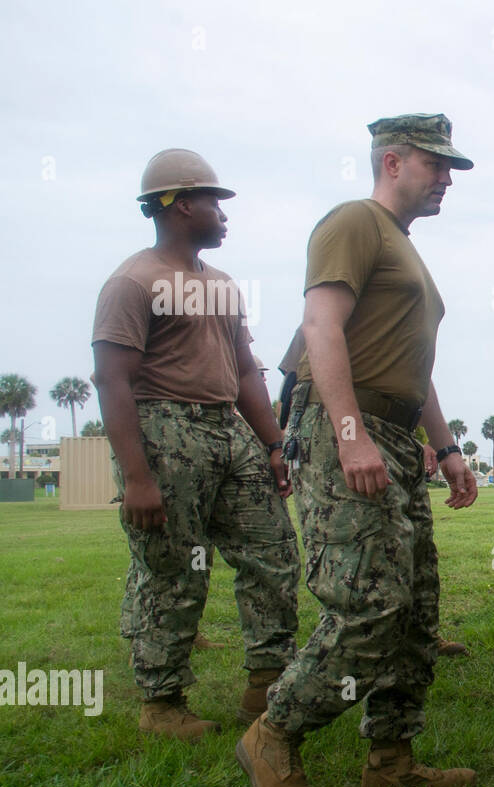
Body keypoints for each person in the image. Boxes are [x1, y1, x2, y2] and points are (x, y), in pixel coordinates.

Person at [237, 114, 479, 787]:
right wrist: (349, 434)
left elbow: (416, 369)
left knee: (413, 610)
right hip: (352, 425)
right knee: (370, 601)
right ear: (393, 160)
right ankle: (274, 732)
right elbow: (321, 327)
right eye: (436, 166)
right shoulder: (356, 222)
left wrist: (449, 448)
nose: (445, 181)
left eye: (451, 170)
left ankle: (392, 761)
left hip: (397, 436)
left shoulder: (404, 252)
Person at [92, 148, 300, 741]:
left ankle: (266, 679)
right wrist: (136, 476)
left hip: (228, 430)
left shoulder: (225, 287)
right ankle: (162, 704)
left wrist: (274, 443)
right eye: (214, 200)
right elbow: (112, 380)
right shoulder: (133, 282)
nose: (223, 212)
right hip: (164, 430)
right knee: (173, 569)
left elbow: (245, 372)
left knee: (273, 548)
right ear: (182, 205)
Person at [277, 327, 469, 656]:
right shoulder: (337, 300)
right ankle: (301, 690)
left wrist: (440, 445)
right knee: (358, 572)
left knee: (413, 555)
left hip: (397, 434)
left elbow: (417, 379)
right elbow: (296, 378)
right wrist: (291, 440)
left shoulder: (407, 303)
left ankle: (416, 640)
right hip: (346, 431)